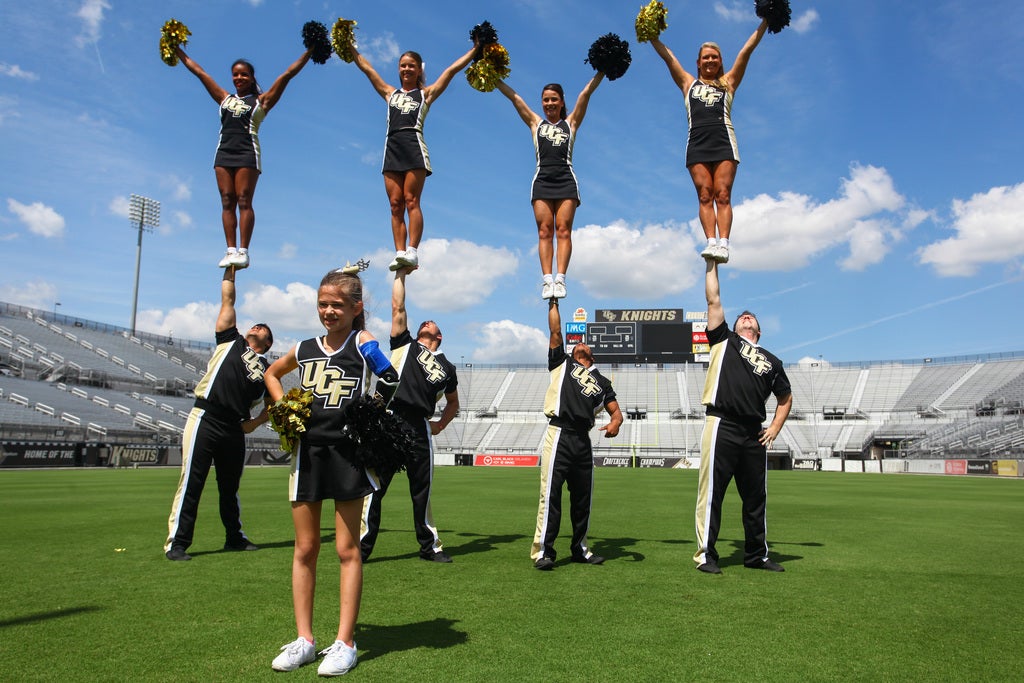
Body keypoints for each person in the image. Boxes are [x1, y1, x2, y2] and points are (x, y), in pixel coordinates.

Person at [263, 266, 400, 676]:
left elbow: (390, 379)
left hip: (347, 455)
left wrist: (370, 415)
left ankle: (346, 641)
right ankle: (305, 640)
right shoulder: (304, 348)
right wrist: (283, 406)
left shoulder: (363, 343)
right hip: (307, 455)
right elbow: (272, 373)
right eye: (322, 304)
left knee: (346, 549)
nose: (328, 311)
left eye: (337, 305)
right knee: (305, 548)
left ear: (356, 308)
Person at [164, 267, 273, 561]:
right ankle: (178, 543)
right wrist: (230, 272)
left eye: (263, 329)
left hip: (234, 428)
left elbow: (249, 426)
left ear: (268, 344)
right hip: (206, 417)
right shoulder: (230, 340)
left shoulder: (267, 374)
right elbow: (228, 302)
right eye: (256, 325)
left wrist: (264, 418)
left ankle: (234, 537)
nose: (257, 326)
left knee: (230, 487)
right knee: (192, 481)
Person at [694, 256, 792, 574]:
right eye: (742, 317)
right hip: (721, 423)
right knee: (712, 494)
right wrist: (712, 265)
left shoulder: (773, 361)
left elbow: (786, 397)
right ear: (736, 327)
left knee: (755, 498)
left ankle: (756, 555)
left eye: (751, 318)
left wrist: (775, 427)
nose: (746, 317)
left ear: (759, 332)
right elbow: (713, 299)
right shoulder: (725, 340)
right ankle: (706, 555)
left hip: (753, 433)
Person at [174, 44, 312, 269]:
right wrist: (178, 49)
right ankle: (230, 250)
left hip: (247, 153)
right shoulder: (224, 99)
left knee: (244, 199)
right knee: (227, 199)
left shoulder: (261, 101)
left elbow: (287, 74)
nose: (239, 77)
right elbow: (199, 72)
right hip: (223, 152)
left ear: (251, 77)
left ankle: (244, 251)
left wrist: (309, 52)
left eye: (244, 74)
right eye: (236, 74)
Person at [359, 266, 459, 563]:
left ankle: (430, 547)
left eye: (432, 324)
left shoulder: (449, 368)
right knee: (375, 486)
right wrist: (401, 274)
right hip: (389, 418)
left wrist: (441, 423)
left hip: (419, 426)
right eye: (423, 323)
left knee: (422, 490)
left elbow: (453, 402)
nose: (427, 323)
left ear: (439, 335)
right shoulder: (405, 343)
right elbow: (398, 306)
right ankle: (361, 548)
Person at [648, 19, 768, 263]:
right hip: (697, 144)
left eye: (715, 57)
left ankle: (724, 244)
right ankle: (710, 241)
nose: (710, 61)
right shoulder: (688, 84)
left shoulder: (729, 83)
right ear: (698, 62)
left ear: (720, 61)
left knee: (722, 194)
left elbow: (747, 50)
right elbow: (669, 58)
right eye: (706, 57)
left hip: (723, 141)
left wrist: (766, 21)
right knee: (705, 194)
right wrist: (651, 36)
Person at [351, 41, 477, 271]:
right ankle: (399, 252)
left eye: (411, 66)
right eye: (403, 66)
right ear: (398, 69)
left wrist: (474, 51)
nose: (406, 69)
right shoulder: (390, 93)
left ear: (419, 70)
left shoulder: (425, 94)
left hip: (413, 145)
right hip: (392, 147)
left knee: (411, 200)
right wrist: (350, 47)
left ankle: (413, 251)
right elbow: (367, 68)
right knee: (395, 204)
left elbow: (451, 71)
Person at [495, 75, 605, 300]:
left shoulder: (571, 124)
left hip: (566, 180)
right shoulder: (536, 124)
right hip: (542, 180)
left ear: (562, 102)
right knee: (545, 231)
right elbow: (515, 98)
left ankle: (561, 279)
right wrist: (493, 78)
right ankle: (547, 280)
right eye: (545, 100)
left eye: (554, 99)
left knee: (563, 230)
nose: (549, 104)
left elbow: (585, 94)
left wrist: (602, 71)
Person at [532, 298, 622, 570]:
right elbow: (556, 332)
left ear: (592, 356)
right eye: (577, 344)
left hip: (582, 438)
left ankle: (580, 548)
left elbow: (616, 412)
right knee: (551, 495)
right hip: (558, 432)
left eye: (584, 345)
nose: (579, 344)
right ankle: (544, 551)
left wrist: (616, 422)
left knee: (583, 498)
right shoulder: (561, 362)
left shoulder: (602, 381)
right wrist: (553, 302)